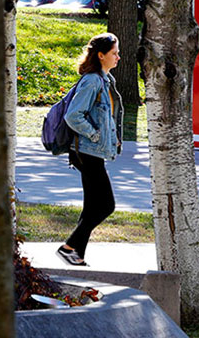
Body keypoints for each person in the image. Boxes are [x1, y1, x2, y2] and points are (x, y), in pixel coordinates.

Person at [55, 32, 123, 267]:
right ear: (101, 55)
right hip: (86, 152)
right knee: (106, 205)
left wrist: (110, 138)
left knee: (93, 206)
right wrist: (95, 135)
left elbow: (106, 116)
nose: (118, 57)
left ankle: (76, 254)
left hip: (92, 152)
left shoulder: (104, 79)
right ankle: (68, 247)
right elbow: (73, 115)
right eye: (114, 53)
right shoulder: (92, 80)